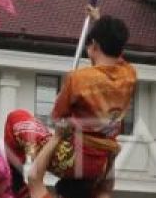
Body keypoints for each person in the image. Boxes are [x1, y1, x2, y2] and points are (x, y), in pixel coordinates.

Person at [43, 15, 137, 180]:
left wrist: (62, 95)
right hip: (104, 165)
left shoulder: (78, 78)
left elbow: (57, 117)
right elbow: (117, 55)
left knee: (17, 119)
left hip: (76, 160)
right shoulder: (130, 75)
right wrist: (100, 22)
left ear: (94, 45)